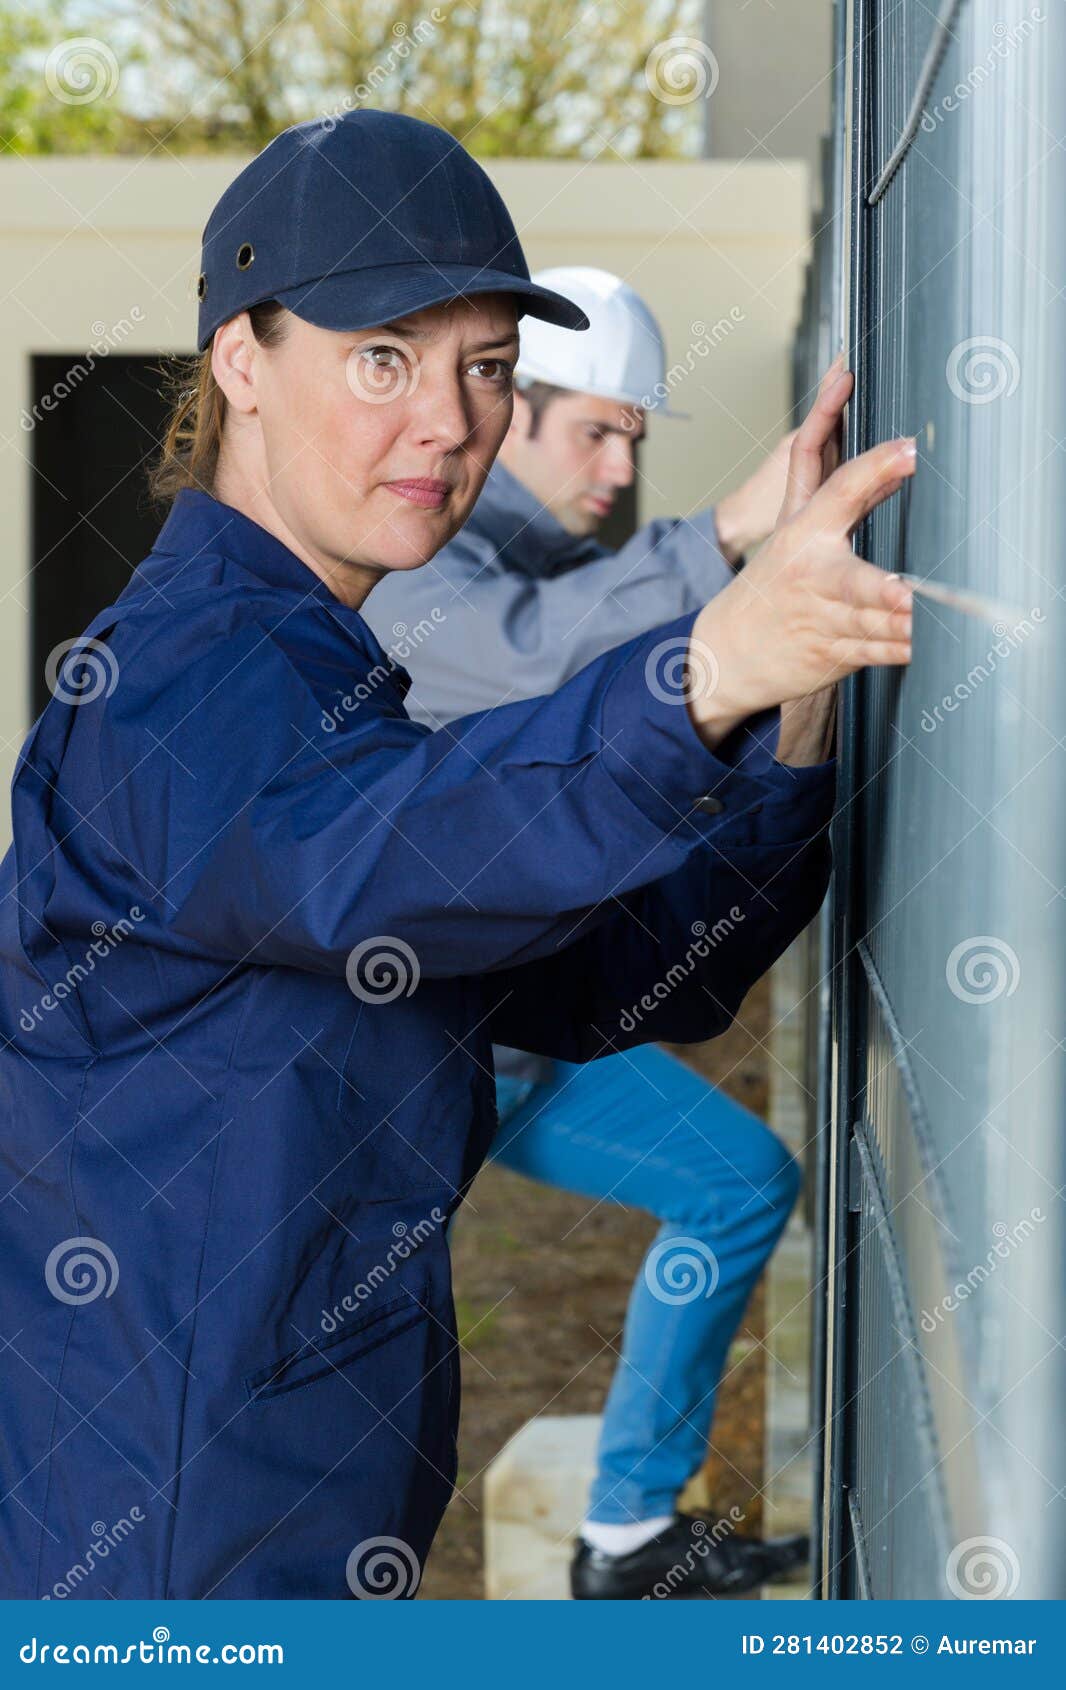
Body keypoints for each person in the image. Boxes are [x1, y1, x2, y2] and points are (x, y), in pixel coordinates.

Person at [0, 110, 914, 1602]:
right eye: (383, 356)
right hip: (164, 1548)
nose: (446, 419)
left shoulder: (315, 670)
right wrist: (698, 665)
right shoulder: (179, 684)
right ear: (241, 360)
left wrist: (795, 688)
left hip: (287, 1503)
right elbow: (394, 848)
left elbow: (616, 982)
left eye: (484, 366)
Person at [361, 267, 819, 1596]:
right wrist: (729, 533)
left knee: (737, 1182)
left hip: (518, 1026)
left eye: (637, 434)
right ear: (508, 419)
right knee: (334, 1359)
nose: (620, 466)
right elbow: (535, 660)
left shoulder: (558, 560)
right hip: (401, 1049)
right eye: (595, 432)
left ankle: (623, 1528)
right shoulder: (421, 550)